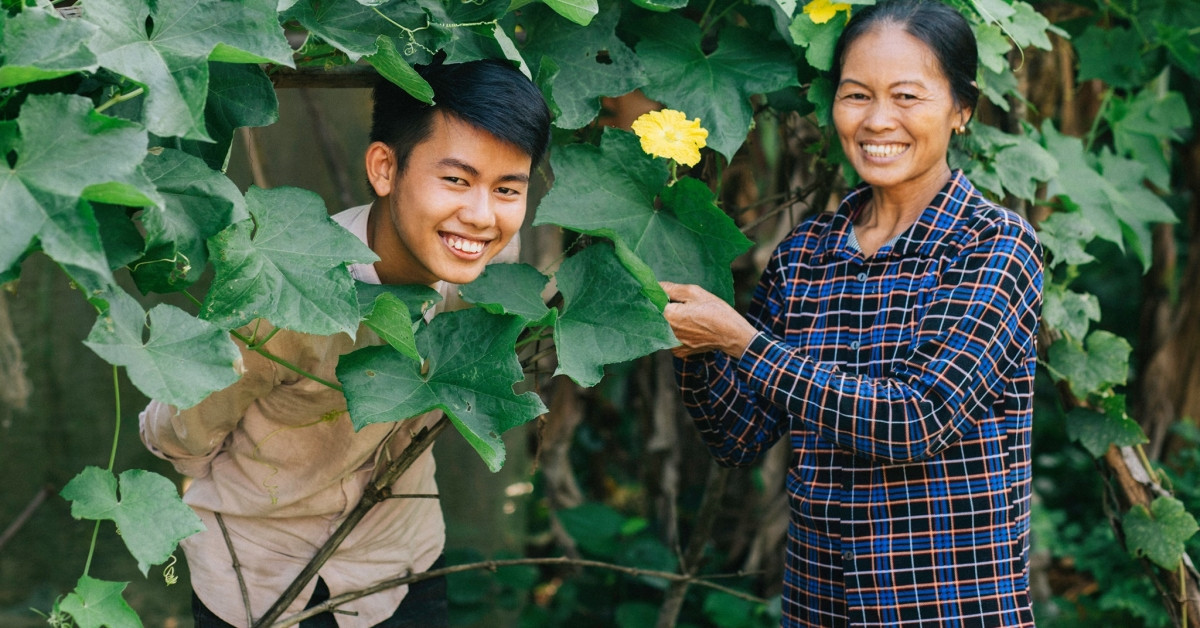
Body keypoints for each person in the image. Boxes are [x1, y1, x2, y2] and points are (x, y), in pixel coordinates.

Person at [659, 0, 1042, 625]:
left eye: (907, 96)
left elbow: (916, 420)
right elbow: (739, 437)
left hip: (948, 609)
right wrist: (695, 349)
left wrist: (740, 343)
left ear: (962, 110)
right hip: (818, 605)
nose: (877, 120)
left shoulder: (994, 245)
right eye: (856, 95)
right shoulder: (806, 254)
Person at [140, 59, 551, 628]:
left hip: (400, 562)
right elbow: (177, 434)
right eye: (456, 180)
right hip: (259, 577)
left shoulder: (489, 271)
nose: (481, 216)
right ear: (385, 168)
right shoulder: (284, 299)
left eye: (507, 188)